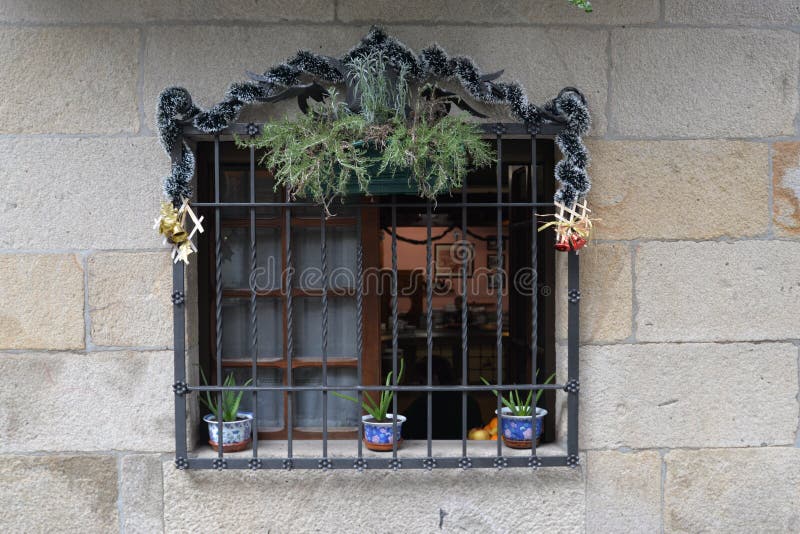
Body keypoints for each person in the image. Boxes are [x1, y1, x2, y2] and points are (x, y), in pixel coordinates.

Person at [402, 357, 483, 439]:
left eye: (421, 381)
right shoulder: (469, 402)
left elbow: (401, 430)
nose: (420, 385)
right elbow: (480, 432)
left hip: (426, 450)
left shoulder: (421, 405)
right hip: (464, 450)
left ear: (434, 378)